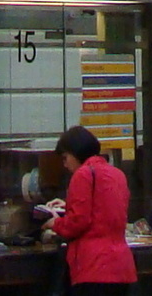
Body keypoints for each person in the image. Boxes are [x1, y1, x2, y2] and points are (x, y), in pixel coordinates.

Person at [42, 126, 136, 294]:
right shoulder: (117, 174)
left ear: (75, 152)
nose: (65, 164)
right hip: (121, 267)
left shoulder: (82, 174)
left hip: (93, 267)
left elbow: (78, 221)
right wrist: (67, 205)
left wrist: (55, 223)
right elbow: (107, 207)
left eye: (65, 158)